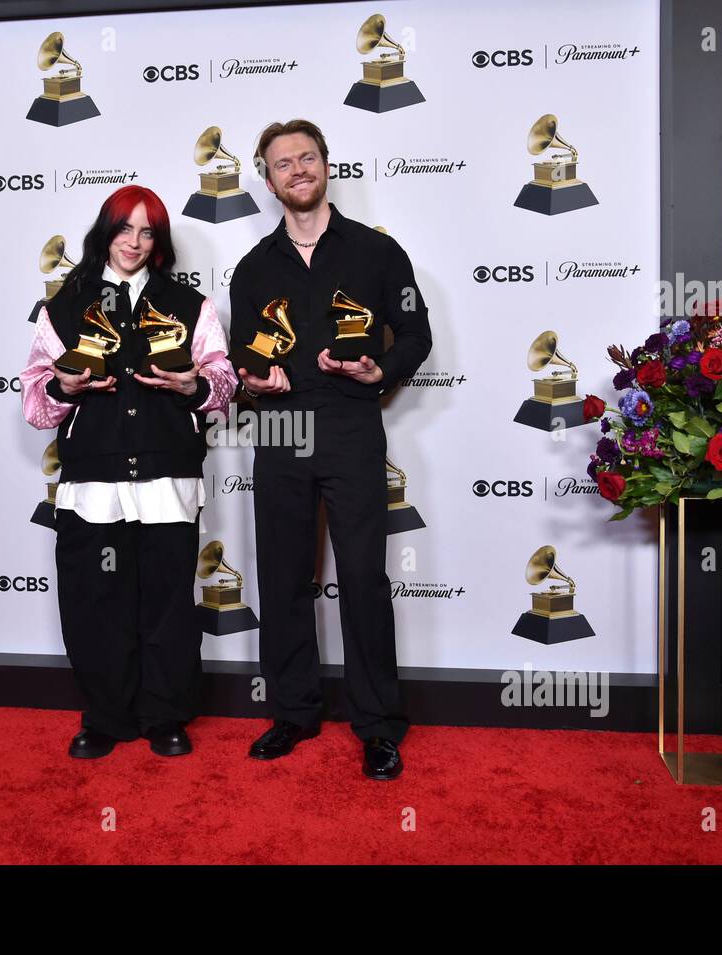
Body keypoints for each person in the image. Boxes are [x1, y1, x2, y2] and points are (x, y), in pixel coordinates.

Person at [228, 119, 432, 780]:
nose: (297, 170)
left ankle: (376, 723)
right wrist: (256, 380)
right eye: (282, 163)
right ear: (268, 179)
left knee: (364, 579)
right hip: (282, 427)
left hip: (349, 423)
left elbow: (417, 331)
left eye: (306, 157)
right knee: (284, 575)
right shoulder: (254, 268)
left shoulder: (377, 252)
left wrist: (381, 371)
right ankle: (293, 710)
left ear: (325, 165)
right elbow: (239, 356)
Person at [20, 184, 237, 758]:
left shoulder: (191, 305)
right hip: (93, 480)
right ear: (105, 232)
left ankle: (165, 714)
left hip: (168, 475)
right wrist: (62, 386)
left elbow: (224, 386)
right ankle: (105, 716)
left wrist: (194, 384)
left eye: (147, 232)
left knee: (166, 600)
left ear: (159, 242)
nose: (134, 242)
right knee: (96, 599)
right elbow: (34, 404)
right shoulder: (64, 305)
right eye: (124, 229)